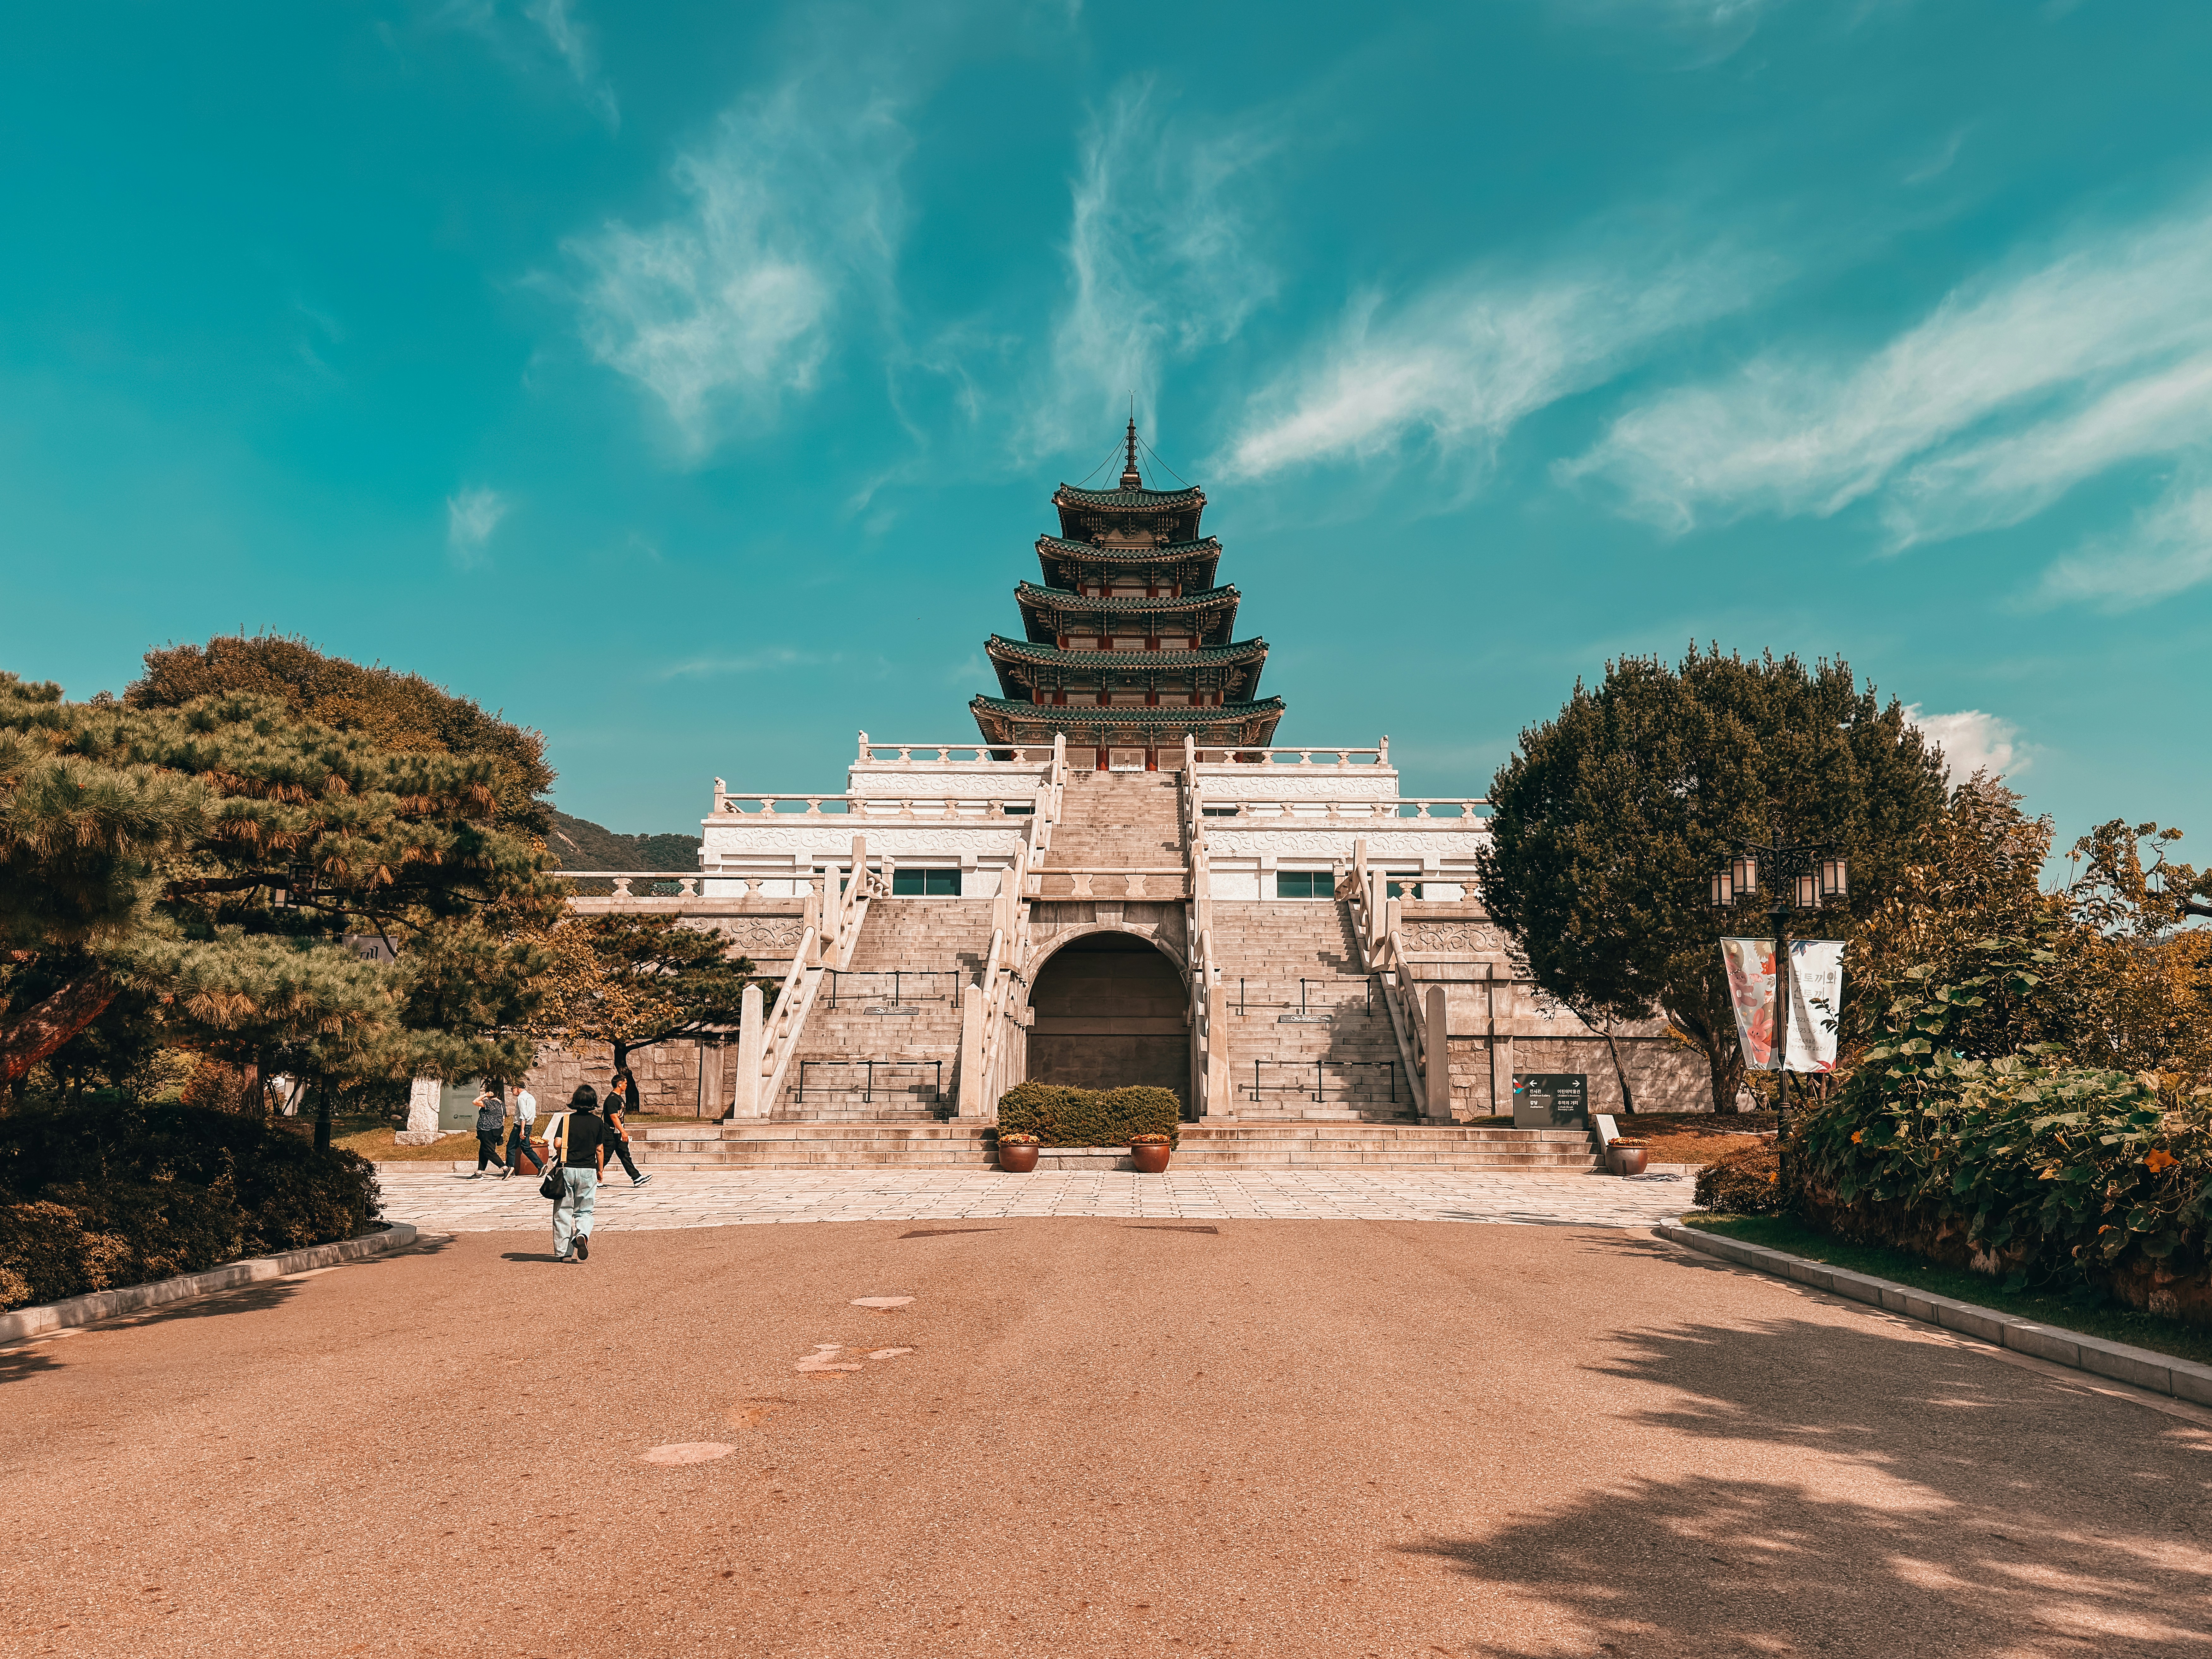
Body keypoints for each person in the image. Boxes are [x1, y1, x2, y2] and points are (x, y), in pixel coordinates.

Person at [548, 1085, 605, 1262]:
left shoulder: (566, 1120)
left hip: (567, 1169)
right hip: (588, 1170)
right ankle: (582, 1235)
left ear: (575, 1101)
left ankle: (564, 1253)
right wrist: (600, 1171)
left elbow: (557, 1144)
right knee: (585, 1210)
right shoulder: (598, 1123)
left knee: (563, 1211)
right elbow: (600, 1149)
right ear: (593, 1103)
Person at [601, 1071, 653, 1187]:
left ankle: (637, 1178)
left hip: (617, 1134)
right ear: (619, 1084)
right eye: (625, 1083)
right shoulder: (613, 1099)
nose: (626, 1085)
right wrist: (623, 1132)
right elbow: (614, 1117)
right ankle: (595, 1178)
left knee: (625, 1155)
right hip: (610, 1134)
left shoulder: (618, 1098)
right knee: (605, 1157)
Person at [470, 1083, 509, 1178]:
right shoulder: (501, 1104)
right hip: (497, 1130)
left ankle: (505, 1168)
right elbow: (503, 1118)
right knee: (483, 1151)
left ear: (490, 1093)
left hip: (487, 1130)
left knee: (489, 1152)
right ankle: (479, 1172)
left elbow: (475, 1102)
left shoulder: (489, 1103)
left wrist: (484, 1096)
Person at [505, 1084, 540, 1175]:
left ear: (518, 1088)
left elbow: (523, 1115)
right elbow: (532, 1114)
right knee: (526, 1147)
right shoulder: (531, 1097)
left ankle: (510, 1170)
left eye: (512, 1089)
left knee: (511, 1147)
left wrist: (522, 1129)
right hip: (529, 1125)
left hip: (520, 1127)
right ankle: (541, 1166)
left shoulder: (521, 1098)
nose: (512, 1092)